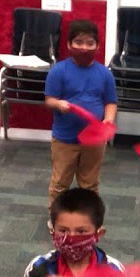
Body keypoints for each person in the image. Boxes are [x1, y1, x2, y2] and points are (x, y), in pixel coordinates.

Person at [44, 19, 118, 226]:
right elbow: (48, 101)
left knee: (90, 183)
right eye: (78, 42)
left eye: (89, 43)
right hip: (65, 138)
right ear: (69, 44)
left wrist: (108, 119)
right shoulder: (58, 71)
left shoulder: (104, 73)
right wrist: (59, 104)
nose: (84, 47)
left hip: (94, 139)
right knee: (60, 182)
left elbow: (110, 102)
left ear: (97, 46)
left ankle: (88, 220)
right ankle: (56, 219)